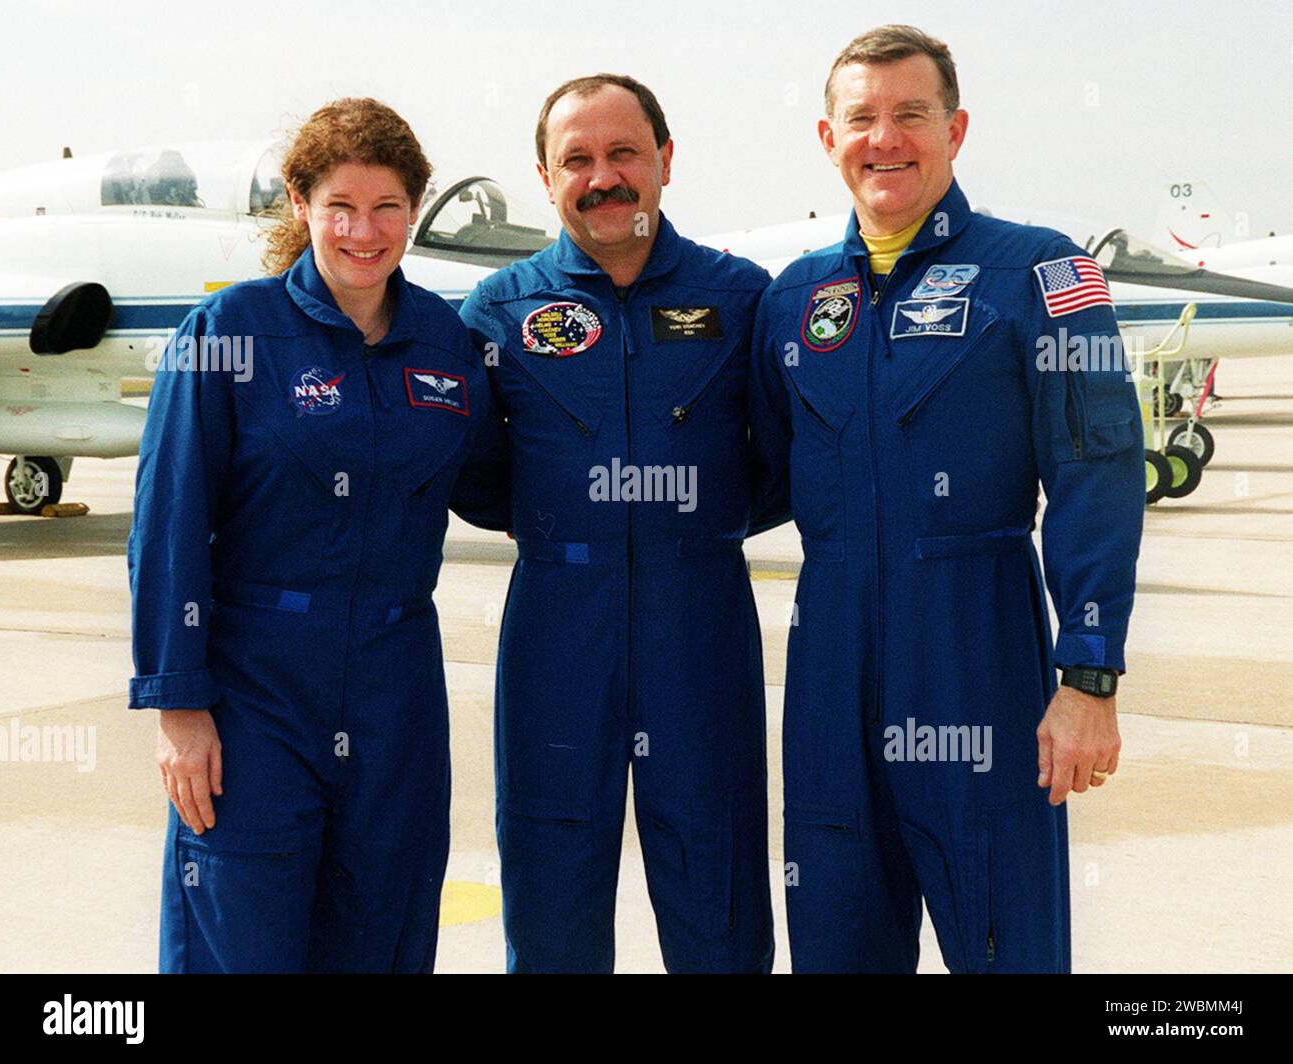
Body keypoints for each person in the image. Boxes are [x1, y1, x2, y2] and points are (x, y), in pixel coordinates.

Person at [749, 26, 1144, 973]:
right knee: (837, 938)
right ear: (827, 137)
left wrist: (1089, 676)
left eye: (910, 115)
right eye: (862, 118)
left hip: (979, 654)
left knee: (1008, 943)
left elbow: (1099, 469)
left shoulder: (1040, 275)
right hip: (829, 664)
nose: (884, 138)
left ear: (956, 129)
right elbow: (757, 469)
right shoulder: (794, 299)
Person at [129, 98, 498, 972]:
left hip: (396, 686)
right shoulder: (229, 335)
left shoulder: (448, 346)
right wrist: (178, 706)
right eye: (340, 206)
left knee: (385, 922)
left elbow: (510, 482)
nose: (363, 232)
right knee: (242, 927)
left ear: (414, 209)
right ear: (300, 203)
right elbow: (168, 522)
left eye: (386, 208)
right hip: (257, 693)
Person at [456, 74, 776, 973]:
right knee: (551, 877)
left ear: (666, 160)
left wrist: (693, 527)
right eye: (578, 160)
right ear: (546, 175)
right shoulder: (499, 312)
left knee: (715, 877)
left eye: (624, 152)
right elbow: (478, 476)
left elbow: (783, 463)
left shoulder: (742, 300)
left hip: (699, 620)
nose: (604, 177)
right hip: (558, 623)